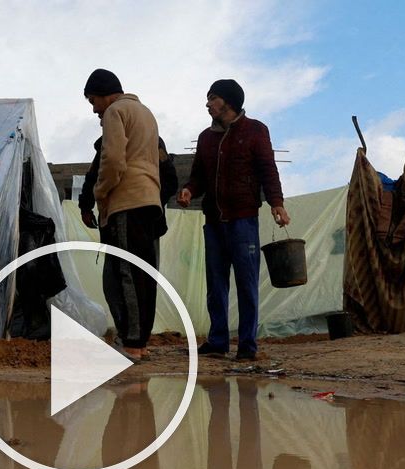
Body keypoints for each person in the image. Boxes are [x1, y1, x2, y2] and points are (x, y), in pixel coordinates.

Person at [178, 79, 290, 362]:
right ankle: (217, 341)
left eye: (212, 98)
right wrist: (190, 189)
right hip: (214, 220)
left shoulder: (255, 130)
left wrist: (276, 203)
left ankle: (247, 345)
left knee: (246, 282)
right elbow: (199, 175)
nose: (207, 104)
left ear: (228, 101)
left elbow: (268, 169)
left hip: (243, 220)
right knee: (216, 284)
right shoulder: (206, 138)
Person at [84, 68, 163, 361]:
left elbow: (113, 159)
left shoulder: (115, 112)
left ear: (106, 94)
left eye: (94, 101)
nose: (94, 109)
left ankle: (131, 343)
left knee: (126, 273)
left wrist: (99, 192)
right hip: (149, 200)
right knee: (145, 274)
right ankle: (141, 341)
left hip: (127, 203)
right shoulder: (145, 113)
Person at [78, 136, 179, 230]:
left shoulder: (152, 140)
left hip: (148, 225)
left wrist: (150, 206)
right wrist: (85, 208)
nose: (101, 120)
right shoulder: (108, 141)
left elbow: (170, 180)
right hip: (113, 222)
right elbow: (93, 176)